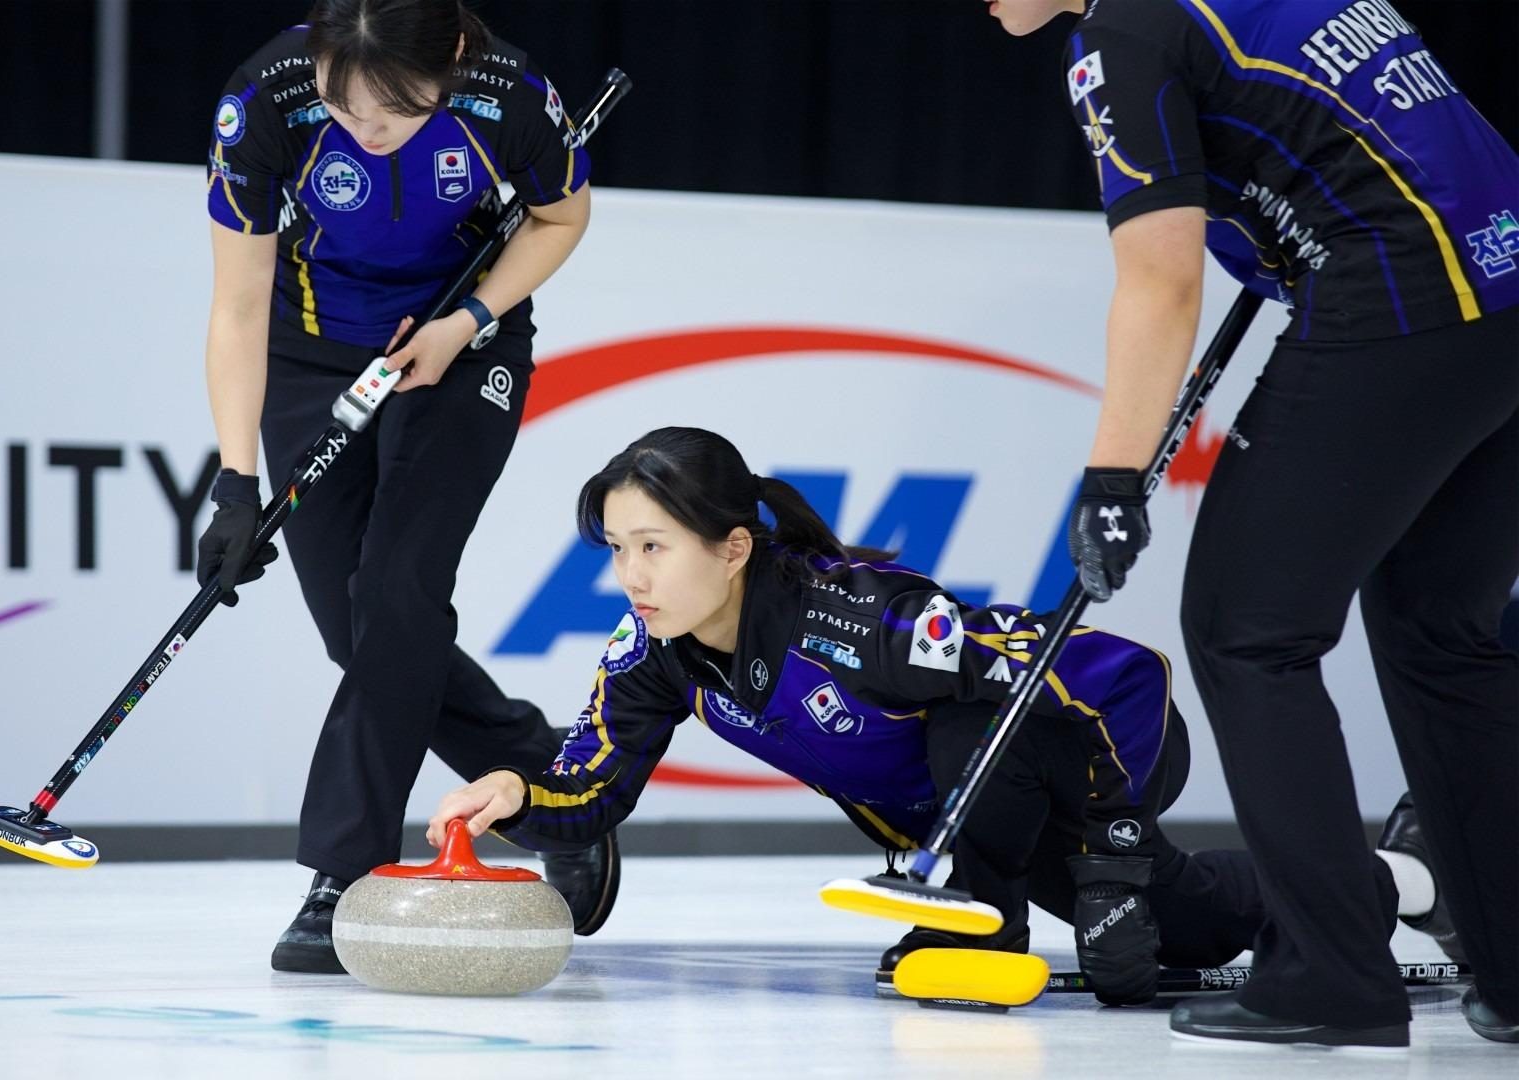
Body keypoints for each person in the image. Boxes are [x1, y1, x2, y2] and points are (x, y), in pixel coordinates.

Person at [424, 427, 1452, 1006]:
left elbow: (1082, 684)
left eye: (653, 546)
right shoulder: (652, 657)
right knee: (1194, 927)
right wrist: (515, 791)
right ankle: (1405, 874)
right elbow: (592, 783)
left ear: (733, 548)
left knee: (974, 735)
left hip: (1100, 737)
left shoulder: (863, 617)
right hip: (978, 815)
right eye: (615, 548)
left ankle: (984, 904)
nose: (630, 576)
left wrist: (1114, 860)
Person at [984, 0, 1519, 1048]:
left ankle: (1331, 975)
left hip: (1407, 299)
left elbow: (1160, 280)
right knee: (1434, 627)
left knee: (1247, 630)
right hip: (1505, 288)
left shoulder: (1122, 42)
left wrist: (1111, 478)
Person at [193, 0, 617, 973]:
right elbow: (239, 300)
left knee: (397, 595)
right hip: (311, 355)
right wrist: (233, 479)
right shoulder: (266, 102)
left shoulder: (505, 91)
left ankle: (342, 873)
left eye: (394, 115)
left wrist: (466, 318)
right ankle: (552, 784)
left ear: (453, 63)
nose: (365, 131)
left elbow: (561, 213)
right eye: (347, 110)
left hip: (466, 347)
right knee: (362, 631)